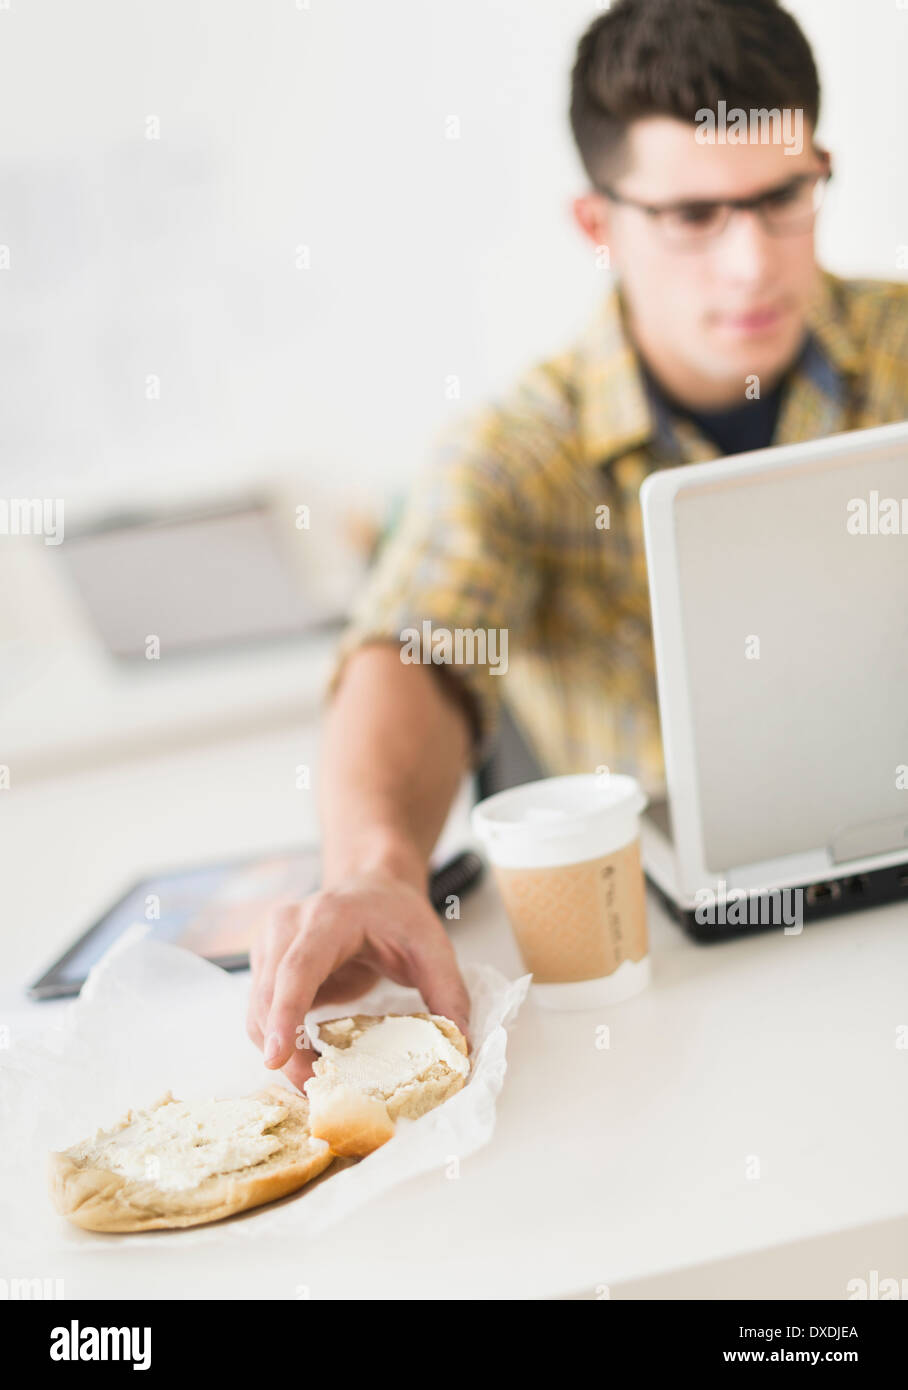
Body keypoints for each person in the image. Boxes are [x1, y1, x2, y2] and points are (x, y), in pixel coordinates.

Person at [247, 0, 908, 1090]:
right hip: (690, 1001)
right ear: (596, 223)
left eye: (782, 197)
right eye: (692, 214)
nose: (749, 263)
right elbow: (414, 649)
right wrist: (373, 867)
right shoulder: (517, 449)